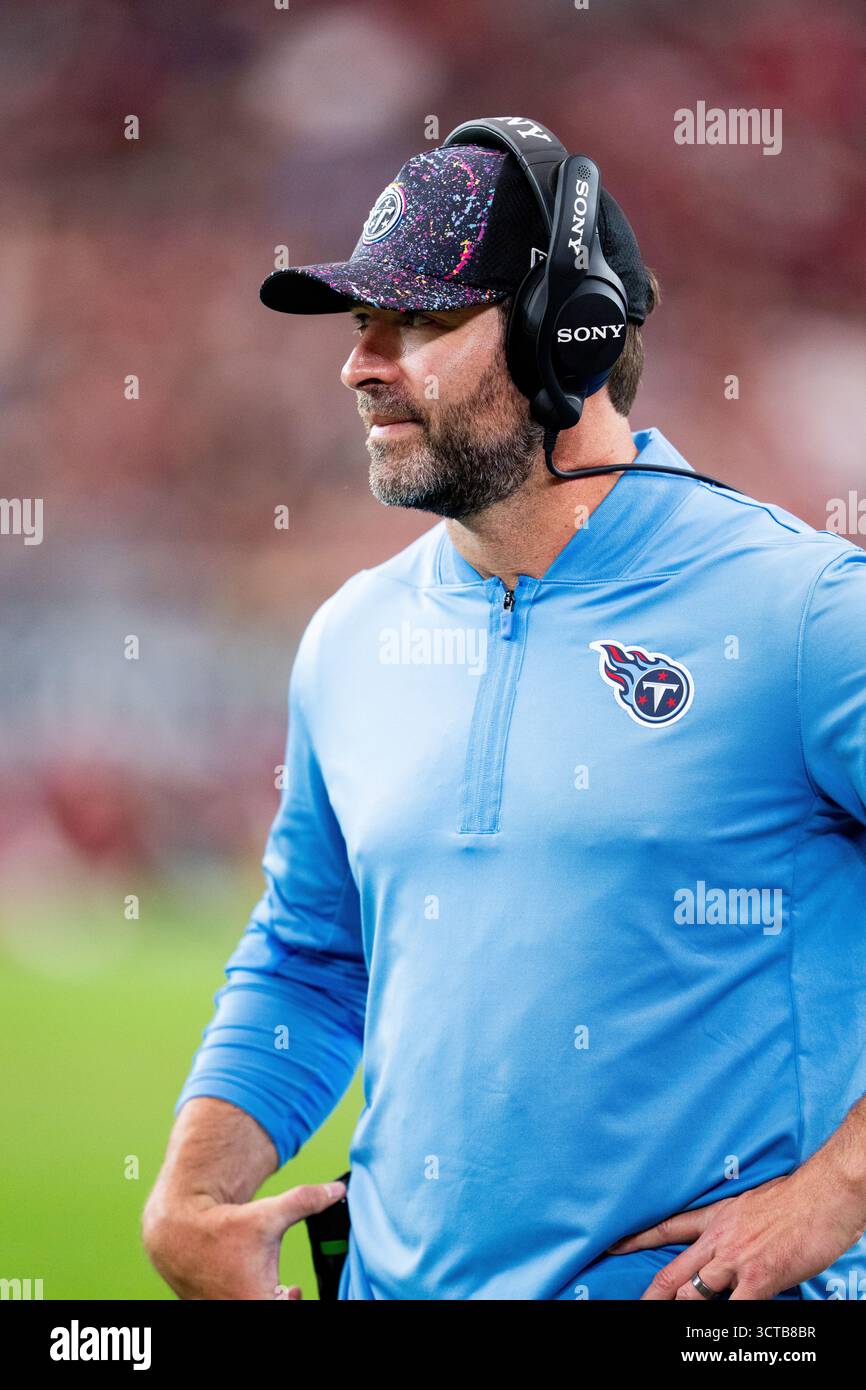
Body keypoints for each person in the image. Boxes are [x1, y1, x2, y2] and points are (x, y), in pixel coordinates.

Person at [143, 138, 866, 1301]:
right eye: (355, 325)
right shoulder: (351, 637)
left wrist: (833, 1193)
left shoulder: (802, 611)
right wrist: (191, 1195)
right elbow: (313, 957)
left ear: (563, 336)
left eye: (416, 323)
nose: (360, 367)